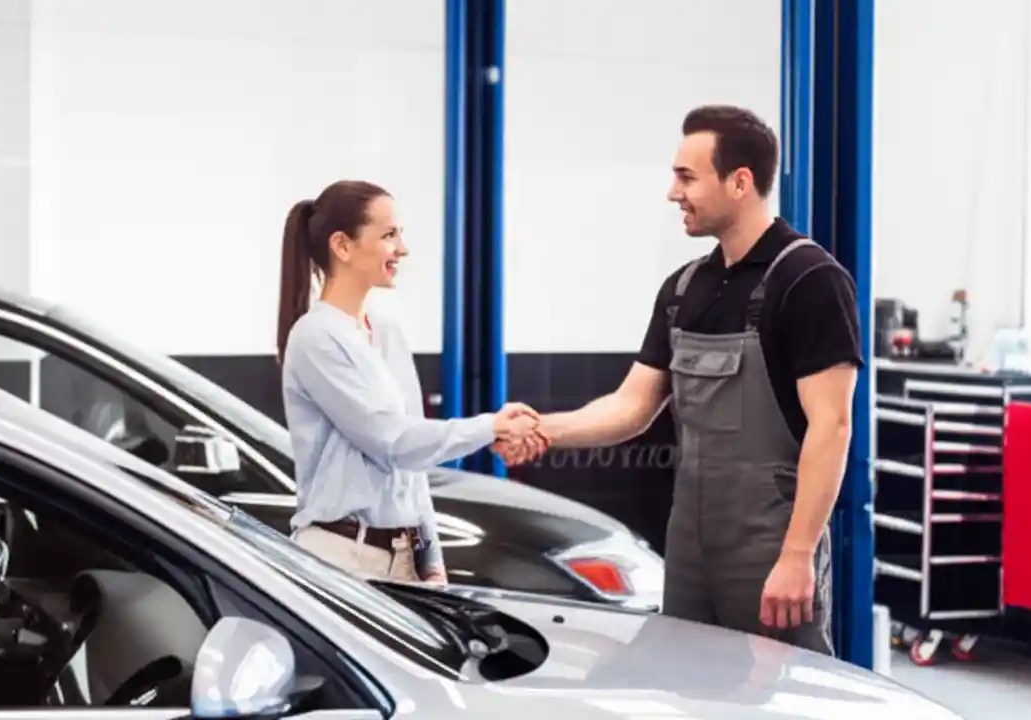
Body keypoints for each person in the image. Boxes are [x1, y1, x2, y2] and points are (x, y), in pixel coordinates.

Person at [497, 105, 861, 655]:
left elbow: (832, 426)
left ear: (740, 182)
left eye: (687, 177)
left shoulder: (809, 280)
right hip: (690, 543)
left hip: (768, 545)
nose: (673, 193)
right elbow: (632, 406)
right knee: (687, 684)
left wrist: (797, 555)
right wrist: (544, 429)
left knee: (781, 689)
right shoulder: (685, 288)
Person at [277, 179, 541, 586]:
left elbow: (412, 458)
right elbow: (393, 441)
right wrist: (492, 427)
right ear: (342, 246)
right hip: (342, 561)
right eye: (389, 235)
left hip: (402, 561)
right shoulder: (315, 337)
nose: (402, 249)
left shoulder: (386, 331)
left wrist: (431, 557)